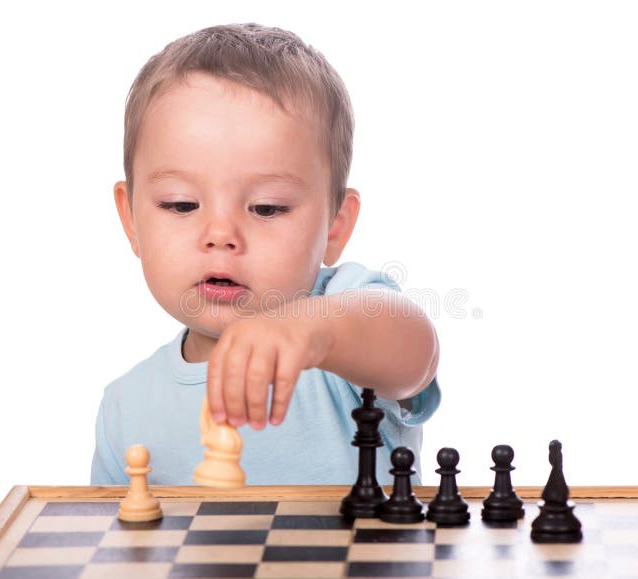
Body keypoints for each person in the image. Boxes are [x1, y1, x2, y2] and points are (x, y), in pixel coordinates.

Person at [91, 23, 441, 486]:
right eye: (180, 204)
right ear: (131, 219)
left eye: (266, 207)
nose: (221, 234)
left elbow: (415, 353)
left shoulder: (343, 318)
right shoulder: (125, 407)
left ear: (336, 224)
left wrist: (317, 332)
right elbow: (114, 551)